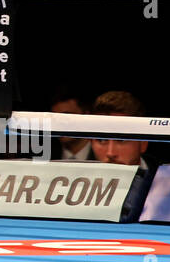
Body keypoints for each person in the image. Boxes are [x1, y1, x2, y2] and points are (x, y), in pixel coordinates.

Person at [90, 90, 152, 222]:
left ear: (143, 143)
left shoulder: (166, 182)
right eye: (102, 140)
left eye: (121, 140)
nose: (110, 153)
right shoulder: (73, 180)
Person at [48, 86, 93, 162]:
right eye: (55, 118)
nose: (59, 123)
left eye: (67, 116)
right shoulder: (42, 158)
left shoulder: (106, 155)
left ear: (86, 116)